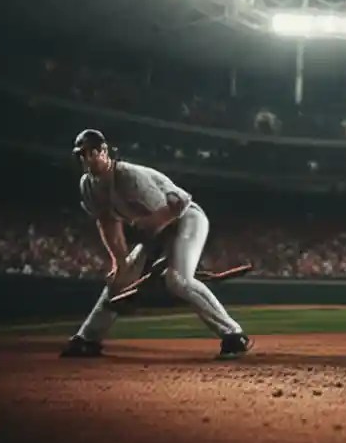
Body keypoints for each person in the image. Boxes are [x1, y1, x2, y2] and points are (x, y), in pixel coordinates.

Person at [59, 129, 252, 360]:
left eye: (92, 153)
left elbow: (171, 210)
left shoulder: (128, 177)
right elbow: (107, 223)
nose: (87, 159)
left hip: (185, 218)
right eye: (82, 155)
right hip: (154, 231)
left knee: (178, 280)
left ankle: (234, 336)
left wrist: (161, 258)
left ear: (104, 152)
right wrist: (120, 262)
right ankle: (87, 339)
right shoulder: (88, 185)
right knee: (119, 280)